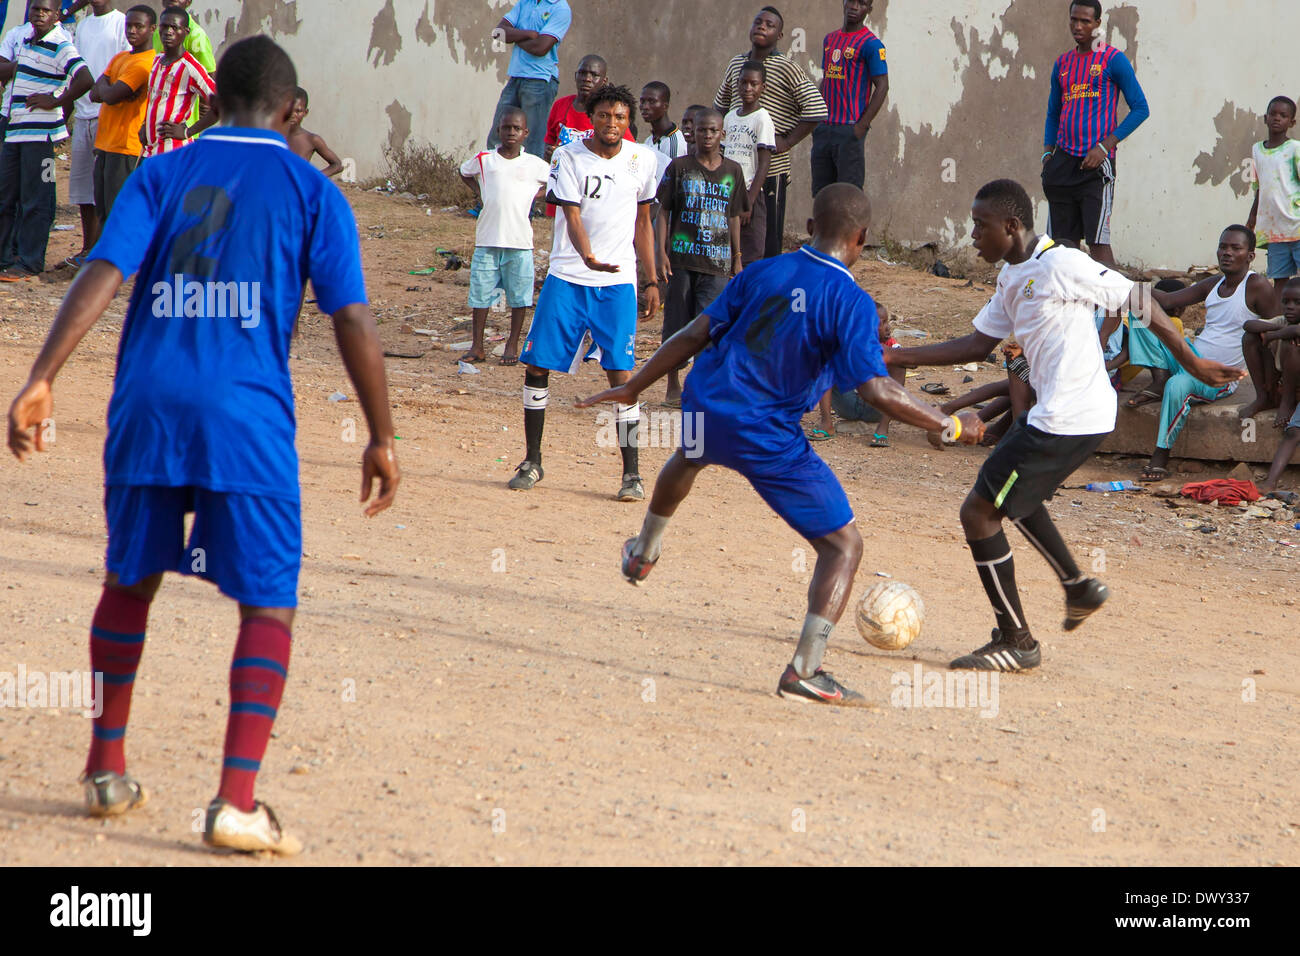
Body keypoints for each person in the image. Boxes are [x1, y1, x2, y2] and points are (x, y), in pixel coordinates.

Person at [6, 34, 399, 856]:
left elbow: (103, 271)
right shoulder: (311, 189)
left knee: (130, 580)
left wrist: (43, 375)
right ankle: (237, 802)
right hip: (245, 420)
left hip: (146, 405)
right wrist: (381, 434)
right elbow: (353, 315)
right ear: (294, 111)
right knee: (267, 603)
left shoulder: (161, 171)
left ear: (214, 100)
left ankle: (106, 770)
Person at [578, 183, 984, 703]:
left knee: (689, 456)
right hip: (766, 433)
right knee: (844, 547)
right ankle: (805, 671)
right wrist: (950, 425)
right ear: (861, 239)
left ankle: (644, 551)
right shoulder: (852, 302)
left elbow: (695, 334)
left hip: (706, 403)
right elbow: (878, 388)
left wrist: (635, 384)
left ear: (811, 228)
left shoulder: (762, 271)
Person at [887, 179, 1241, 671]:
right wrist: (895, 354)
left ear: (1011, 226)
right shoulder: (1012, 277)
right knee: (1013, 496)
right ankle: (1078, 587)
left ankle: (1017, 640)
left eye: (980, 226)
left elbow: (1135, 297)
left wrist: (1194, 363)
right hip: (1065, 414)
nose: (972, 237)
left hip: (1070, 416)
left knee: (979, 513)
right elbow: (973, 346)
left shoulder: (1062, 263)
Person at [509, 84, 660, 501]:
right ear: (591, 118)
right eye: (605, 116)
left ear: (629, 122)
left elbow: (643, 223)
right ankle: (532, 461)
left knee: (621, 374)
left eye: (620, 117)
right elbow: (571, 215)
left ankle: (631, 475)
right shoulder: (567, 156)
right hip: (569, 277)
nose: (612, 123)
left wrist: (650, 280)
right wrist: (588, 255)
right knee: (538, 365)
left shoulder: (642, 160)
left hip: (617, 284)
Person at [1129, 226, 1280, 481]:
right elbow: (1168, 302)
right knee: (1139, 310)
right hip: (1191, 357)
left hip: (1218, 375)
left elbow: (1275, 326)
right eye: (1223, 247)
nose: (1227, 253)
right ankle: (1159, 378)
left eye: (1236, 248)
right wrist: (1127, 287)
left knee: (1178, 385)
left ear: (1250, 256)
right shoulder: (1214, 282)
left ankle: (1161, 454)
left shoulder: (1257, 286)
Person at [1041, 0, 1149, 269]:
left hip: (1096, 167)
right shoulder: (1062, 64)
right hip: (1063, 163)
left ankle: (1115, 310)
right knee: (1061, 246)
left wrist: (1104, 146)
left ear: (1097, 24)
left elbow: (1140, 108)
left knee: (1098, 244)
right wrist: (1047, 153)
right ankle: (1068, 307)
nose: (1078, 26)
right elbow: (1053, 112)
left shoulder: (1113, 60)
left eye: (1085, 21)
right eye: (1074, 20)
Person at [714, 6, 828, 259]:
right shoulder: (736, 64)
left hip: (769, 170)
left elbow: (817, 107)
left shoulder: (786, 67)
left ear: (779, 35)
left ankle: (767, 292)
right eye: (758, 22)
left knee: (765, 238)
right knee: (729, 234)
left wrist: (787, 140)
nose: (762, 27)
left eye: (770, 25)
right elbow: (720, 105)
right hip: (734, 166)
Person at [656, 107, 746, 406]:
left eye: (712, 131)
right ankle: (672, 384)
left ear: (723, 134)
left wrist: (737, 255)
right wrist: (662, 252)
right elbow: (664, 213)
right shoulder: (679, 167)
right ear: (691, 133)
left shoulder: (733, 171)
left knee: (710, 326)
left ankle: (702, 387)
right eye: (701, 130)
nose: (707, 136)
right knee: (676, 324)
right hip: (682, 259)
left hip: (717, 262)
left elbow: (733, 216)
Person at [0, 0, 92, 281]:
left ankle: (29, 261)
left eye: (46, 10)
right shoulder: (25, 40)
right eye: (35, 9)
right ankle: (6, 257)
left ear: (56, 15)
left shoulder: (61, 43)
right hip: (15, 130)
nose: (39, 14)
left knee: (37, 198)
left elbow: (85, 78)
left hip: (42, 136)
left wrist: (57, 100)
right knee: (6, 196)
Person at [458, 107, 549, 367]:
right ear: (499, 130)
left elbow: (555, 182)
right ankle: (477, 345)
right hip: (487, 239)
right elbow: (464, 172)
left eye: (517, 129)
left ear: (525, 133)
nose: (511, 132)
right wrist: (479, 193)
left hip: (520, 242)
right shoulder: (485, 159)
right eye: (507, 127)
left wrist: (534, 197)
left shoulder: (534, 165)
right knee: (480, 294)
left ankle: (512, 343)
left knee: (520, 297)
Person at [66, 0, 126, 267]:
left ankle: (104, 253)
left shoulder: (123, 23)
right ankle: (87, 247)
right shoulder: (82, 26)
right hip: (82, 114)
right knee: (83, 190)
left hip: (108, 115)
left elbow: (124, 68)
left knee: (105, 189)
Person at [812, 0, 888, 197]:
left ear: (869, 10)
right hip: (824, 128)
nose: (854, 7)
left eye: (862, 3)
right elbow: (827, 79)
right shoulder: (829, 40)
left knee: (848, 196)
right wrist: (816, 119)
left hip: (849, 130)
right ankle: (823, 229)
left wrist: (861, 126)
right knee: (822, 194)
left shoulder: (871, 45)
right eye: (851, 1)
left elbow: (882, 87)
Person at [87, 4, 154, 225]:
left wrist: (109, 90)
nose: (132, 31)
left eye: (139, 26)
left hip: (126, 146)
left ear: (152, 28)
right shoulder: (120, 57)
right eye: (129, 25)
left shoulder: (146, 63)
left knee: (120, 212)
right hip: (106, 143)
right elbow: (95, 92)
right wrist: (110, 91)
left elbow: (110, 94)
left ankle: (122, 259)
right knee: (103, 211)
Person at [486, 0, 571, 160]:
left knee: (531, 142)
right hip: (516, 77)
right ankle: (494, 179)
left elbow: (540, 48)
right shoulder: (525, 3)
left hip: (540, 80)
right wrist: (528, 34)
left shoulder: (560, 8)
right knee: (497, 137)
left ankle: (530, 184)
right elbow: (498, 32)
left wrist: (514, 35)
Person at [140, 5, 214, 158]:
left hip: (173, 153)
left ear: (186, 32)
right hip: (150, 151)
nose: (168, 32)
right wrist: (145, 125)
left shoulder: (190, 68)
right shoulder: (156, 60)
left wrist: (188, 131)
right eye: (165, 27)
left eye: (174, 27)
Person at [722, 60, 774, 268]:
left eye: (753, 84)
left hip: (750, 193)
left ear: (763, 87)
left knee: (751, 250)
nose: (748, 88)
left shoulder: (762, 119)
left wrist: (749, 202)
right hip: (727, 191)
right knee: (727, 247)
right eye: (743, 83)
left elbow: (763, 165)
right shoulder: (729, 118)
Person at [1246, 96, 1300, 297]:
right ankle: (1279, 321)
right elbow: (1259, 188)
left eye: (1283, 115)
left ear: (1291, 122)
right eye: (1273, 114)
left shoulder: (1295, 149)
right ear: (1265, 118)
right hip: (1274, 230)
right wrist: (1251, 220)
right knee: (1279, 280)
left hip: (1296, 225)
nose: (1277, 118)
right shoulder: (1257, 150)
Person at [1242, 277, 1300, 430]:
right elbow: (1248, 325)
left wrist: (1272, 336)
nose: (1290, 307)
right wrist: (1279, 331)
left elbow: (1297, 330)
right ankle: (1264, 397)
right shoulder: (1283, 321)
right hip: (1282, 381)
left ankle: (1287, 403)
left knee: (1291, 343)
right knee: (1250, 337)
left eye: (1297, 303)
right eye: (1286, 302)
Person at [288, 87, 343, 177]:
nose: (292, 115)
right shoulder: (274, 135)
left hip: (299, 189)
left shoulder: (311, 139)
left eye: (298, 111)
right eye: (289, 110)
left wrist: (314, 178)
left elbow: (337, 165)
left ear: (305, 112)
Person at [639, 81, 686, 164]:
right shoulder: (649, 140)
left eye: (652, 101)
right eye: (642, 101)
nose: (645, 107)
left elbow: (674, 175)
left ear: (665, 106)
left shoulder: (674, 143)